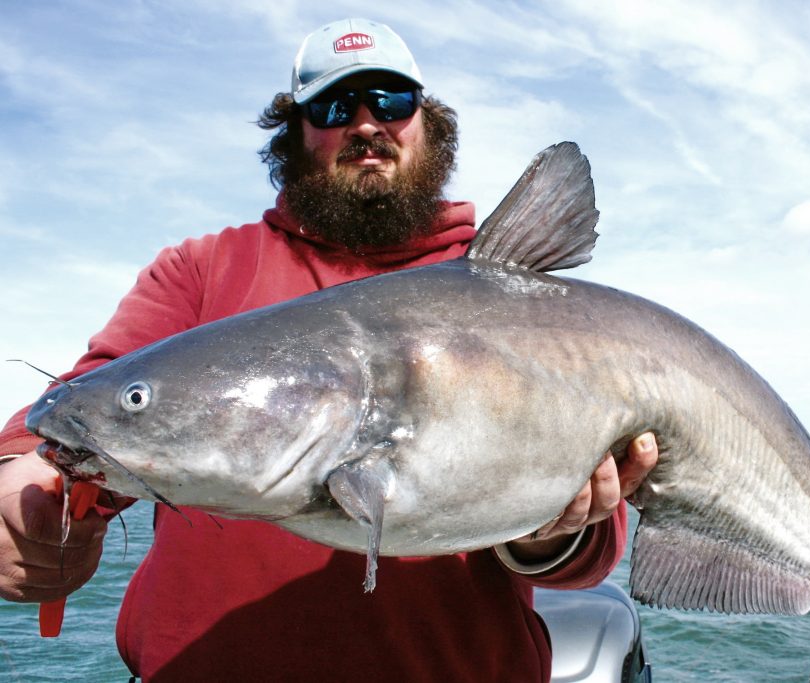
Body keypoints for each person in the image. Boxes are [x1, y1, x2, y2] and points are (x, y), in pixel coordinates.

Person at [0, 18, 658, 681]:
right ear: (295, 131)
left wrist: (548, 527)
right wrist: (23, 487)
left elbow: (590, 553)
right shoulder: (203, 270)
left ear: (430, 123)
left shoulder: (512, 295)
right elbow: (91, 405)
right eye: (336, 106)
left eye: (391, 102)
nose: (366, 124)